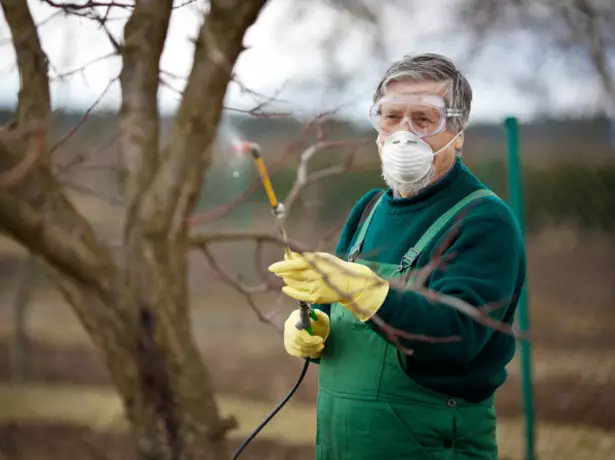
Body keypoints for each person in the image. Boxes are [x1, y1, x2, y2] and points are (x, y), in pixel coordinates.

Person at [268, 53, 526, 460]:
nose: (404, 134)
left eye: (424, 119)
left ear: (458, 133)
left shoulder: (483, 220)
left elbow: (457, 337)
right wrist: (314, 325)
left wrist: (368, 291)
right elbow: (341, 313)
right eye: (391, 117)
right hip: (341, 445)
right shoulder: (369, 210)